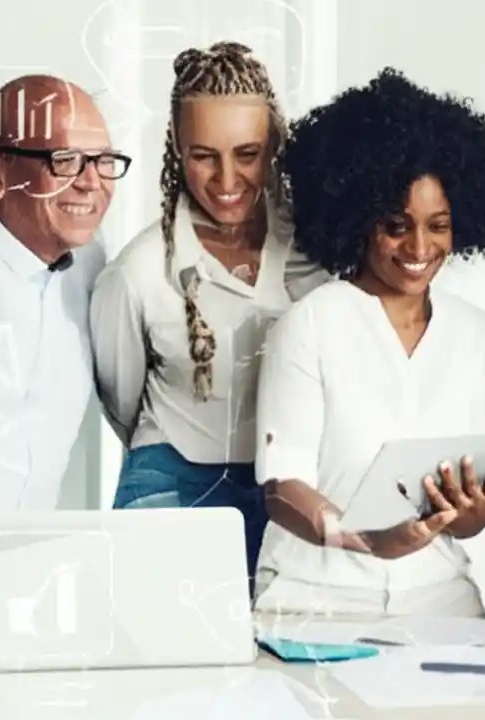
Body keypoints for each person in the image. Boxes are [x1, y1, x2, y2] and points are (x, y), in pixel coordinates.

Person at [252, 68, 485, 617]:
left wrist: (474, 511)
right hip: (318, 599)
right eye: (396, 224)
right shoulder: (310, 326)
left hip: (443, 602)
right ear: (359, 220)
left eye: (439, 224)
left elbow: (468, 513)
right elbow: (281, 489)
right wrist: (367, 541)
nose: (420, 246)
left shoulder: (479, 336)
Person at [90, 43, 327, 584]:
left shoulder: (317, 252)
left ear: (274, 146)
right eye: (204, 155)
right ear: (177, 147)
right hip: (170, 487)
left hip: (287, 492)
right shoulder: (138, 273)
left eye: (247, 153)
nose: (226, 179)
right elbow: (122, 402)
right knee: (163, 656)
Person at [0, 75, 129, 514]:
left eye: (103, 160)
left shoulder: (94, 265)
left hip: (29, 564)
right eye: (64, 160)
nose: (91, 182)